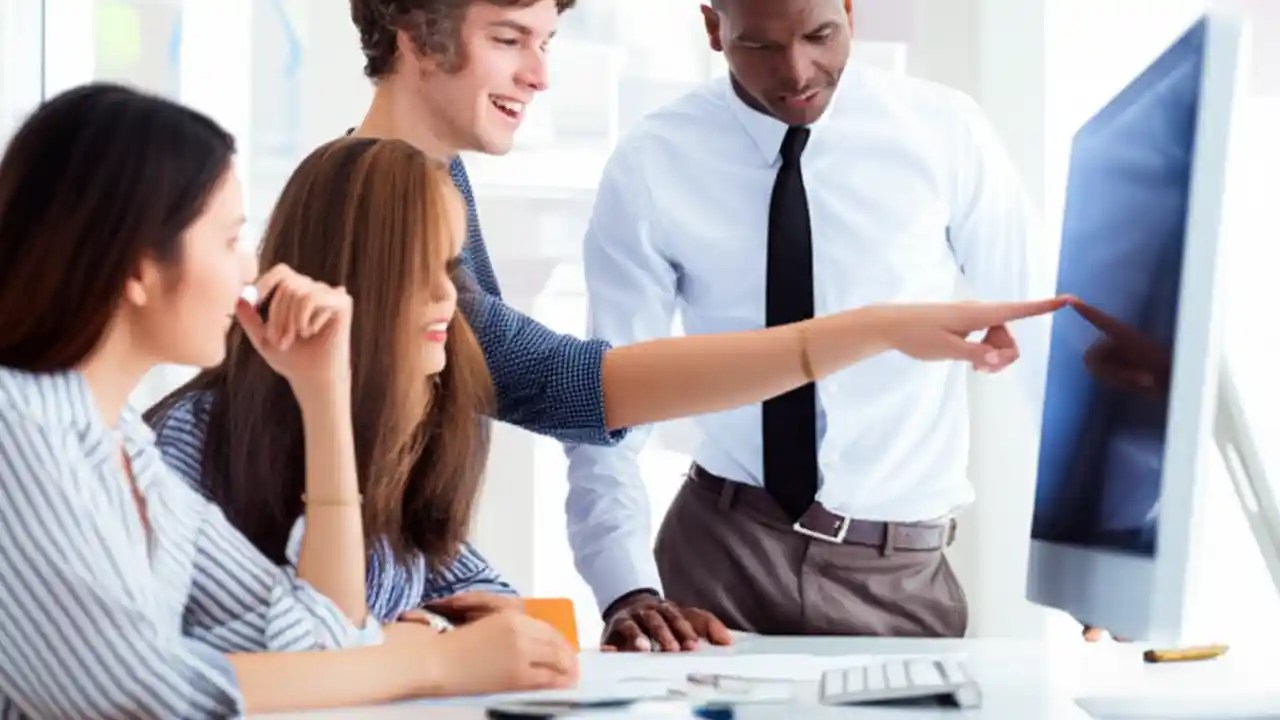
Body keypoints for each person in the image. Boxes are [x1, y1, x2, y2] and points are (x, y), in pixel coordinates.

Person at [346, 0, 1064, 648]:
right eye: (511, 40)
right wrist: (870, 329)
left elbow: (425, 477)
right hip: (716, 556)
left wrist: (488, 601)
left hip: (897, 568)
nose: (541, 76)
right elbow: (539, 379)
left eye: (547, 43)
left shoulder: (432, 181)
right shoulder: (374, 195)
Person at [0, 83, 575, 718]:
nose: (250, 268)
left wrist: (323, 394)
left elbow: (323, 637)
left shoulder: (123, 450)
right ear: (139, 268)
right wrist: (433, 663)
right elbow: (140, 692)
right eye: (228, 241)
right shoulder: (18, 427)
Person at [564, 0, 1052, 647]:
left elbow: (1049, 335)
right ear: (713, 29)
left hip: (898, 576)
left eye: (820, 35)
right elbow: (608, 394)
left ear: (850, 10)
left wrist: (1106, 540)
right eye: (759, 46)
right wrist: (626, 586)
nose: (796, 72)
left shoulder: (944, 132)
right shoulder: (655, 160)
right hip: (719, 560)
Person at [147, 136, 517, 626]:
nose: (443, 292)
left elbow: (488, 598)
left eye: (448, 267)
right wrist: (391, 648)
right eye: (416, 267)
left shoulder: (409, 421)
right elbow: (292, 645)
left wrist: (432, 632)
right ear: (347, 273)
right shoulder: (192, 441)